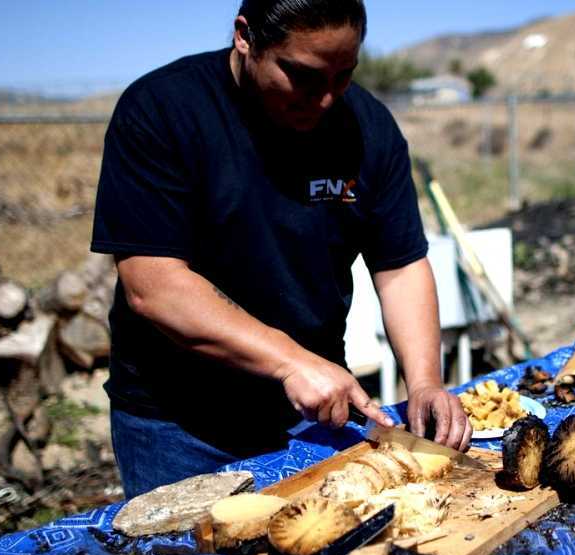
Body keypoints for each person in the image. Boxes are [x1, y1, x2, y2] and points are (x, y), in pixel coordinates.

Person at [91, 0, 471, 499]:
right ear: (246, 38)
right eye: (303, 75)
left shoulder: (368, 128)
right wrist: (290, 361)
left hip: (315, 414)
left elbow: (399, 265)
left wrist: (423, 381)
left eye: (344, 76)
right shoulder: (164, 110)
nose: (326, 98)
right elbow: (155, 286)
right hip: (179, 426)